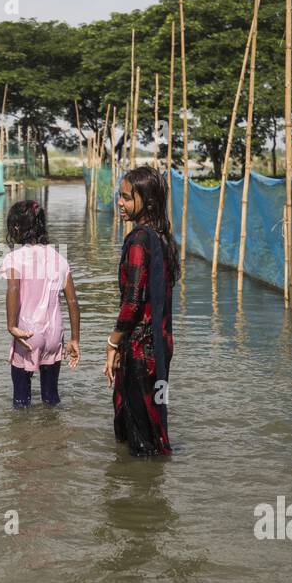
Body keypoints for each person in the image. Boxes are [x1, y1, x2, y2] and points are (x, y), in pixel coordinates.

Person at [105, 166, 179, 456]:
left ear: (146, 202)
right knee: (152, 417)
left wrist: (112, 342)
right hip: (160, 346)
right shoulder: (163, 238)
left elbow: (133, 300)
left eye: (126, 198)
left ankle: (141, 495)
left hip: (139, 349)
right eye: (119, 196)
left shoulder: (138, 240)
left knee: (139, 439)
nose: (119, 203)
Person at [0, 200, 80, 407]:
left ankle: (24, 437)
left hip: (27, 333)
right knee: (51, 397)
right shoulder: (59, 259)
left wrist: (11, 326)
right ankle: (54, 436)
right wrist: (75, 339)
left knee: (21, 398)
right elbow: (72, 301)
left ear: (16, 227)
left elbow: (13, 289)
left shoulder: (15, 258)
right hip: (55, 334)